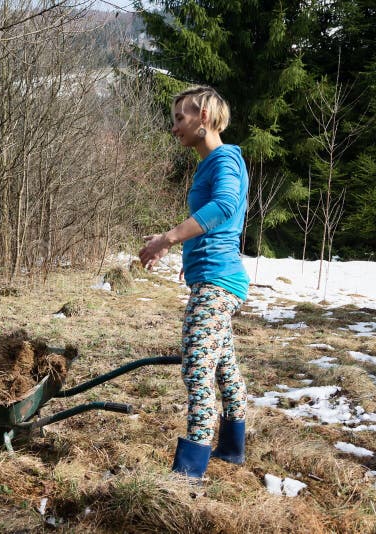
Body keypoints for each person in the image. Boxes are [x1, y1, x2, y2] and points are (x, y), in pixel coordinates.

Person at [139, 86, 249, 480]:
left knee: (197, 369)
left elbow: (223, 207)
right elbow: (219, 221)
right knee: (223, 368)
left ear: (203, 115)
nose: (174, 128)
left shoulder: (224, 160)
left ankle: (188, 473)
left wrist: (168, 239)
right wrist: (193, 256)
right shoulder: (211, 163)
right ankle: (232, 449)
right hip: (215, 276)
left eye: (180, 118)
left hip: (220, 283)